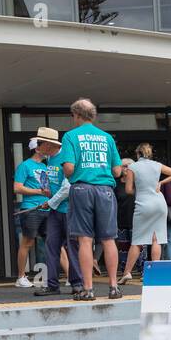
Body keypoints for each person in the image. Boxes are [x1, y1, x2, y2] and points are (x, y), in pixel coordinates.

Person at [57, 98, 125, 301]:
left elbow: (68, 168)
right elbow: (117, 170)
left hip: (82, 189)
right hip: (105, 190)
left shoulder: (71, 136)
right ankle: (114, 287)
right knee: (108, 239)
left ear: (76, 115)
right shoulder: (106, 138)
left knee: (85, 239)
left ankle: (88, 289)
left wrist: (74, 172)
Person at [35, 129, 84, 296]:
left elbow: (67, 187)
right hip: (56, 210)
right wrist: (47, 191)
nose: (37, 146)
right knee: (52, 245)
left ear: (48, 144)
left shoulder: (65, 158)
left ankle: (77, 283)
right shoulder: (49, 159)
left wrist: (50, 201)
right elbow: (57, 185)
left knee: (73, 247)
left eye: (39, 143)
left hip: (69, 209)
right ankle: (52, 284)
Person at [123, 143, 171, 281]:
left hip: (143, 203)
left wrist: (140, 190)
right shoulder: (157, 165)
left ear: (138, 154)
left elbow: (128, 190)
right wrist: (161, 183)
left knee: (137, 240)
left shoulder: (133, 167)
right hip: (160, 203)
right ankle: (154, 272)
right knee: (156, 238)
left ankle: (127, 273)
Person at [12, 127, 61, 289]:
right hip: (31, 208)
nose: (49, 150)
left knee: (55, 242)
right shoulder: (25, 166)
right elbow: (17, 188)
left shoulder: (49, 166)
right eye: (46, 146)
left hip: (49, 208)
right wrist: (39, 191)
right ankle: (21, 276)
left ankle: (69, 274)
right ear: (38, 148)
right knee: (27, 242)